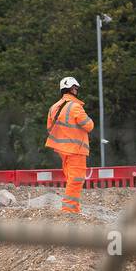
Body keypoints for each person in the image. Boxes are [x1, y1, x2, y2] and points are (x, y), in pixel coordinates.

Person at [45, 76, 95, 214]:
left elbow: (50, 128)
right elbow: (89, 126)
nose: (76, 90)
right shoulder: (75, 107)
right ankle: (69, 210)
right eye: (75, 88)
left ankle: (74, 209)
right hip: (76, 149)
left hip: (62, 150)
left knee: (71, 179)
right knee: (76, 180)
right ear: (71, 89)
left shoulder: (53, 107)